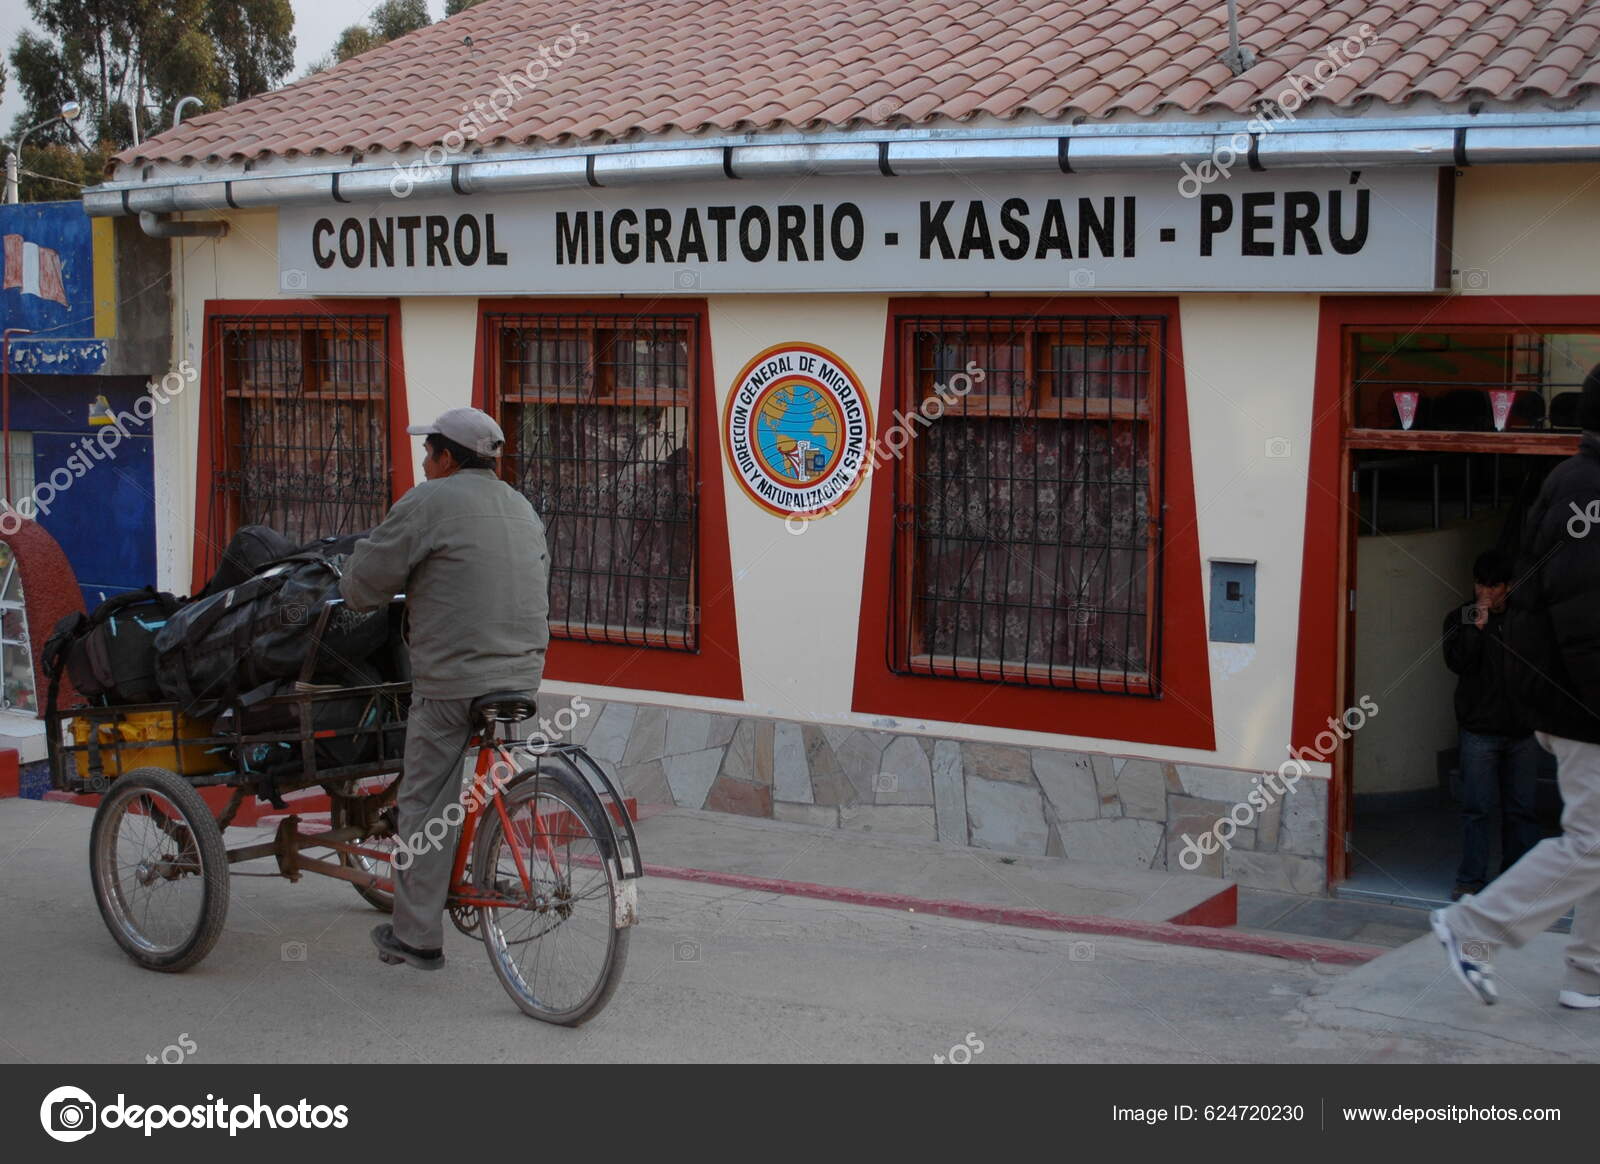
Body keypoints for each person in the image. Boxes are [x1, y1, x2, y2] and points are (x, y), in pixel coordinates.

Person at [339, 407, 550, 970]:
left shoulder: (429, 501)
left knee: (427, 802)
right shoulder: (521, 506)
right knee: (465, 784)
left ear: (448, 458)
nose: (424, 466)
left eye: (428, 455)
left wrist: (355, 581)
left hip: (455, 681)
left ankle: (416, 936)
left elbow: (362, 588)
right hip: (522, 674)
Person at [1433, 363, 1600, 1010]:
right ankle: (1472, 924)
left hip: (1568, 700)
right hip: (1584, 705)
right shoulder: (1584, 487)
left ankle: (1588, 974)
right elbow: (1585, 618)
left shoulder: (1575, 480)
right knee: (1590, 841)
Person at [1440, 548, 1540, 901]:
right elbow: (1459, 664)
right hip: (1479, 731)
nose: (1485, 593)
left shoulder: (1525, 621)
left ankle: (1516, 882)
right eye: (1480, 584)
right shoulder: (1459, 618)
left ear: (1508, 587)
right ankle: (1470, 880)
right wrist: (1475, 630)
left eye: (1493, 586)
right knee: (1477, 808)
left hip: (1522, 731)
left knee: (1522, 810)